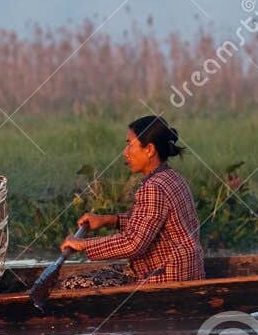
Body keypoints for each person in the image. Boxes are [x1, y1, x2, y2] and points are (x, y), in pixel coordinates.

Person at [61, 114, 204, 285]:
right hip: (184, 270)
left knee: (72, 284)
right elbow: (147, 223)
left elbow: (134, 244)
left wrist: (83, 244)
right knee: (93, 276)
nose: (125, 152)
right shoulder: (172, 177)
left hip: (166, 277)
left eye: (130, 144)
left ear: (149, 150)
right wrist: (108, 220)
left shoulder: (154, 188)